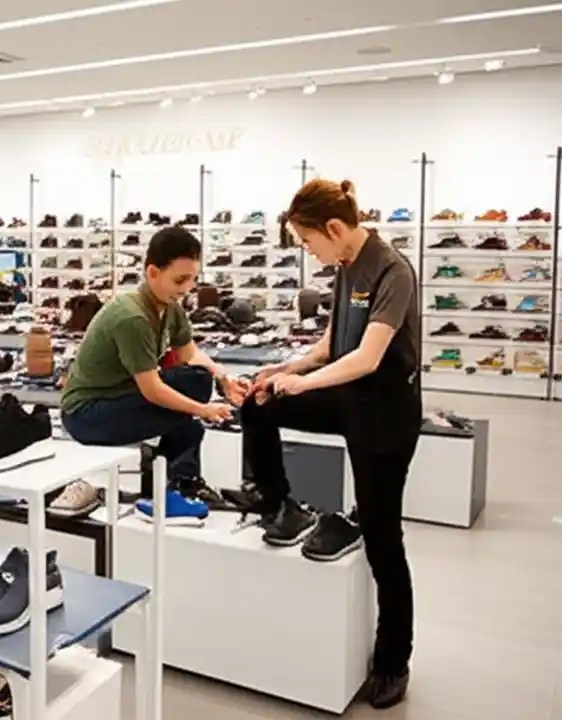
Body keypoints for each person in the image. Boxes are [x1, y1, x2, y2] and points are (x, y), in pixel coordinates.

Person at [242, 179, 420, 709]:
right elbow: (332, 342)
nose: (309, 252)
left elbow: (367, 356)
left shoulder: (393, 271)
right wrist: (286, 368)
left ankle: (393, 660)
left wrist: (304, 383)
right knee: (258, 401)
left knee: (384, 539)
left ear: (336, 228)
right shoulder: (346, 267)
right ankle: (277, 502)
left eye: (308, 241)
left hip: (385, 414)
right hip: (347, 397)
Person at [60, 226, 251, 502]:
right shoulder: (132, 317)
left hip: (118, 398)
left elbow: (190, 354)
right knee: (191, 403)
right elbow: (152, 390)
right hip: (86, 415)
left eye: (192, 280)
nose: (187, 289)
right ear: (152, 273)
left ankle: (173, 485)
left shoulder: (169, 307)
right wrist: (204, 409)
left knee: (196, 385)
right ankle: (178, 485)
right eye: (180, 280)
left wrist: (224, 379)